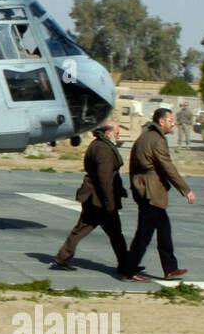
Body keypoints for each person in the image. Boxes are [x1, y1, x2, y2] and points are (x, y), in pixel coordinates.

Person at [51, 117, 135, 279]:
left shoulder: (98, 145)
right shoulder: (103, 149)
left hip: (94, 197)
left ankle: (62, 258)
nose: (118, 134)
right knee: (113, 234)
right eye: (117, 131)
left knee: (87, 230)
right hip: (99, 199)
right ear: (108, 131)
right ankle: (125, 266)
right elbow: (105, 179)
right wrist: (109, 202)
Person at [126, 107, 196, 279]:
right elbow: (168, 168)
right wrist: (185, 190)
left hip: (143, 189)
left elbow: (133, 166)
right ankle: (129, 269)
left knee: (162, 229)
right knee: (145, 234)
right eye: (171, 121)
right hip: (151, 192)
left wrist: (135, 185)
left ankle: (170, 268)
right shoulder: (157, 140)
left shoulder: (144, 137)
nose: (173, 124)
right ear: (161, 121)